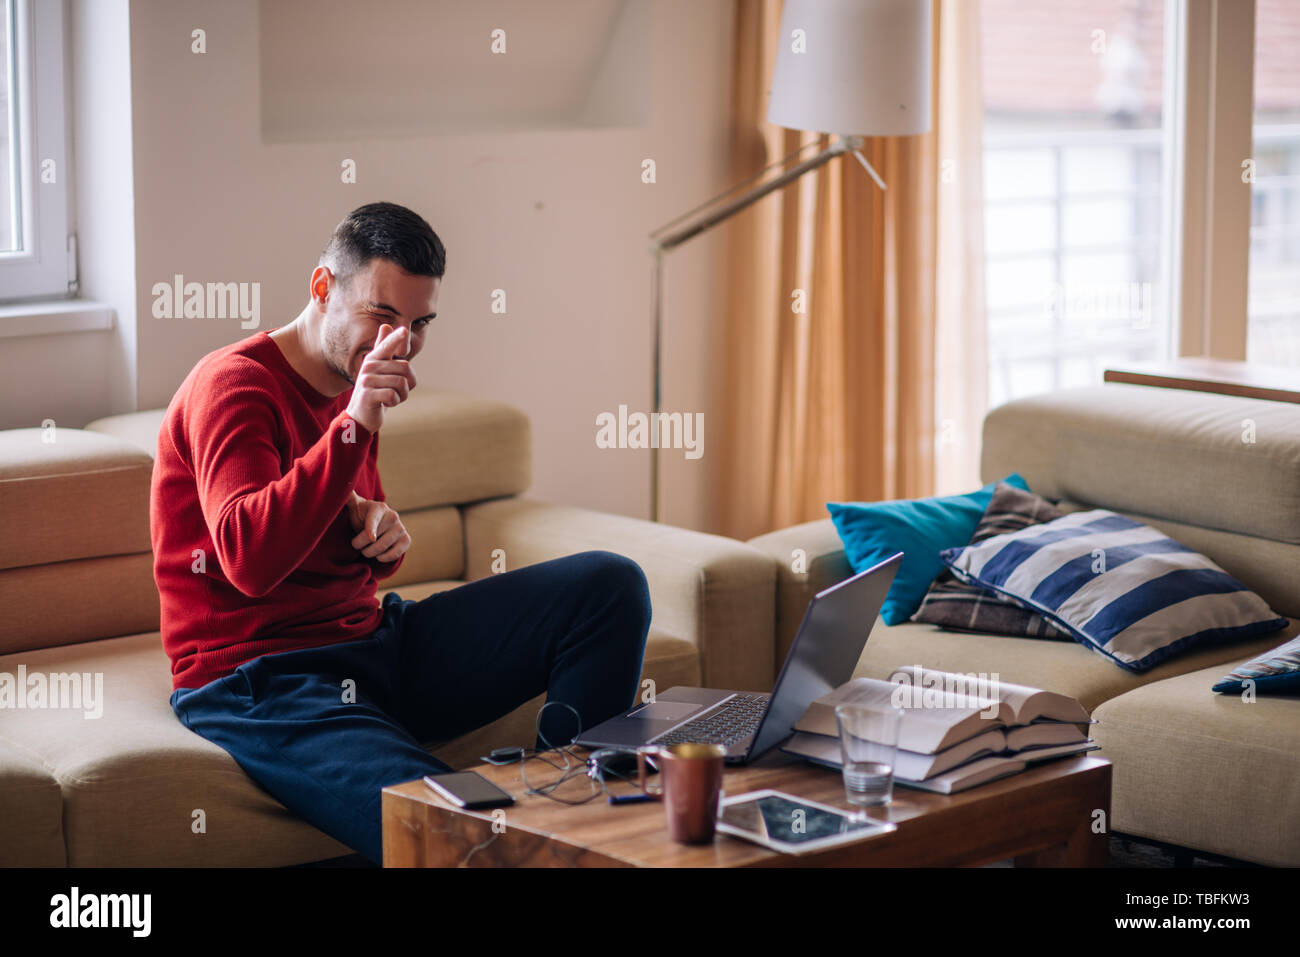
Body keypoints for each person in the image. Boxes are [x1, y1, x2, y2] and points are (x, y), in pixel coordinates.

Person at [151, 201, 651, 865]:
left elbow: (340, 536)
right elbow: (248, 558)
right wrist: (356, 420)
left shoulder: (354, 381)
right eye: (383, 315)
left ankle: (579, 809)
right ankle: (535, 841)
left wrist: (379, 530)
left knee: (608, 585)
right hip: (261, 679)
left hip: (371, 643)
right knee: (464, 824)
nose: (401, 342)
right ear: (323, 288)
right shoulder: (235, 387)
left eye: (419, 324)